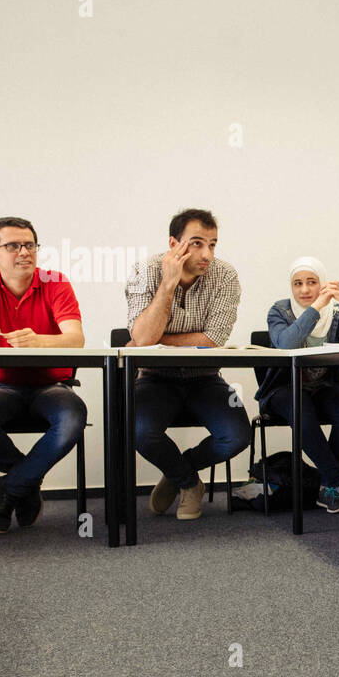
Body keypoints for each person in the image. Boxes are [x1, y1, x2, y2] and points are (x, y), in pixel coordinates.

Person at [0, 217, 87, 534]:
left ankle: (10, 488)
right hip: (1, 386)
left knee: (72, 418)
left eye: (30, 245)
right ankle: (25, 485)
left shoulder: (55, 281)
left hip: (52, 387)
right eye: (12, 246)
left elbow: (76, 339)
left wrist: (40, 340)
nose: (24, 252)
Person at [126, 208, 251, 521]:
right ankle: (189, 483)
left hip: (204, 376)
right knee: (138, 431)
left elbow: (212, 341)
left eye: (212, 244)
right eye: (196, 243)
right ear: (173, 244)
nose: (206, 253)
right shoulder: (146, 271)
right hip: (155, 377)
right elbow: (143, 338)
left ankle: (179, 470)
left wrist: (158, 339)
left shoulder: (225, 275)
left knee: (237, 437)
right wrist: (167, 284)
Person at [255, 256, 339, 512]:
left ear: (322, 282)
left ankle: (327, 489)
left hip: (325, 388)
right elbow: (286, 344)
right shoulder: (280, 311)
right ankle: (337, 483)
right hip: (283, 391)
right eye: (298, 283)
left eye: (312, 282)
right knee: (300, 407)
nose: (305, 289)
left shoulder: (337, 314)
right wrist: (318, 306)